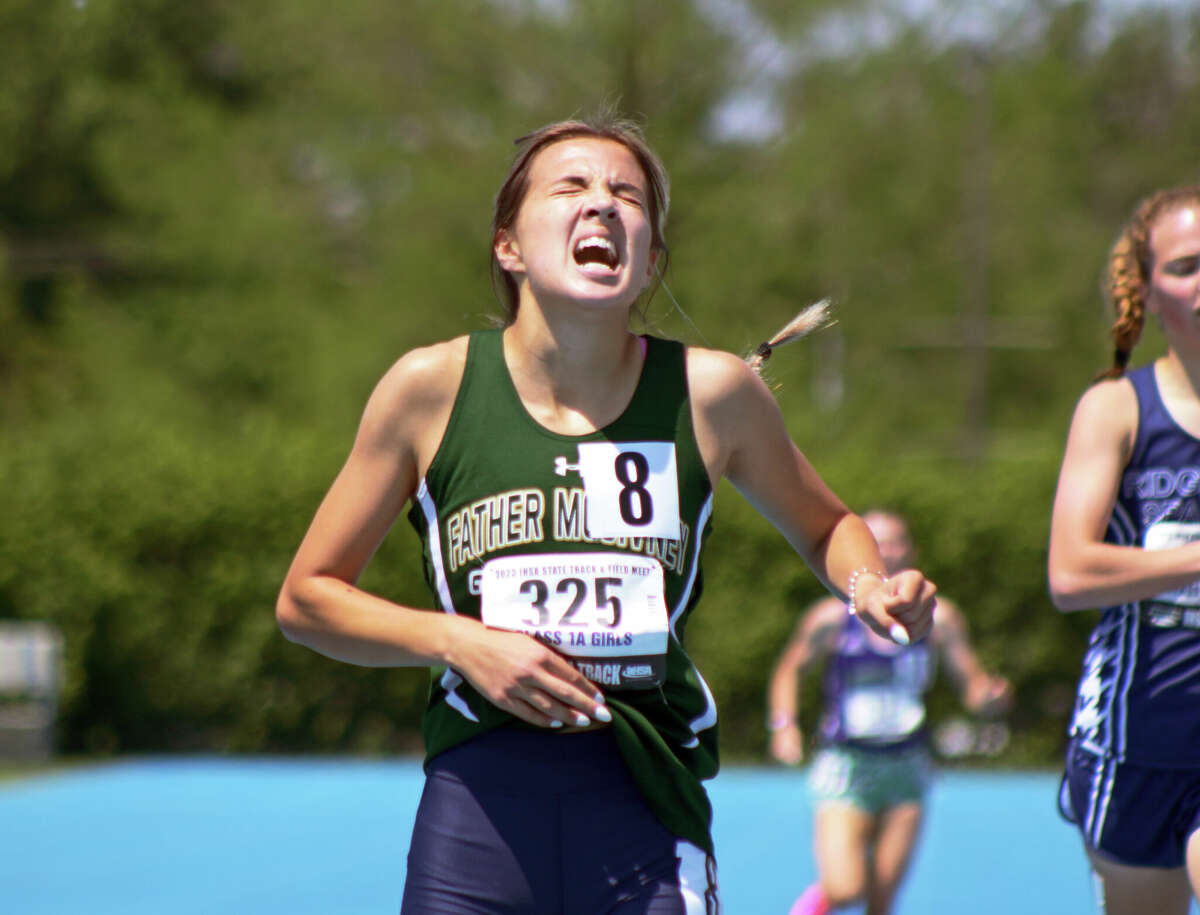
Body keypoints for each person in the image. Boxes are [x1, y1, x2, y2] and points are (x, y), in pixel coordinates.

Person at [275, 112, 938, 914]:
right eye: (572, 186)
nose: (604, 203)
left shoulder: (714, 393)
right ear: (507, 246)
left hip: (644, 799)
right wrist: (461, 641)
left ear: (649, 259)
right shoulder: (429, 389)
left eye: (628, 194)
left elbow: (829, 526)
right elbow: (307, 597)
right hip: (479, 805)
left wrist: (870, 587)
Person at [1049, 184, 1200, 915]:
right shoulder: (1117, 407)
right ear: (1146, 289)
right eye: (1187, 266)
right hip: (1137, 742)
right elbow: (1071, 570)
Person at [766, 510, 1011, 915]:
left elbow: (972, 685)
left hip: (907, 767)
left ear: (911, 550)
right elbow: (790, 668)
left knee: (882, 901)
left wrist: (989, 698)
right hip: (846, 766)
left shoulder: (941, 618)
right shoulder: (829, 618)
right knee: (846, 889)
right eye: (878, 542)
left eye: (898, 541)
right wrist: (783, 725)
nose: (890, 552)